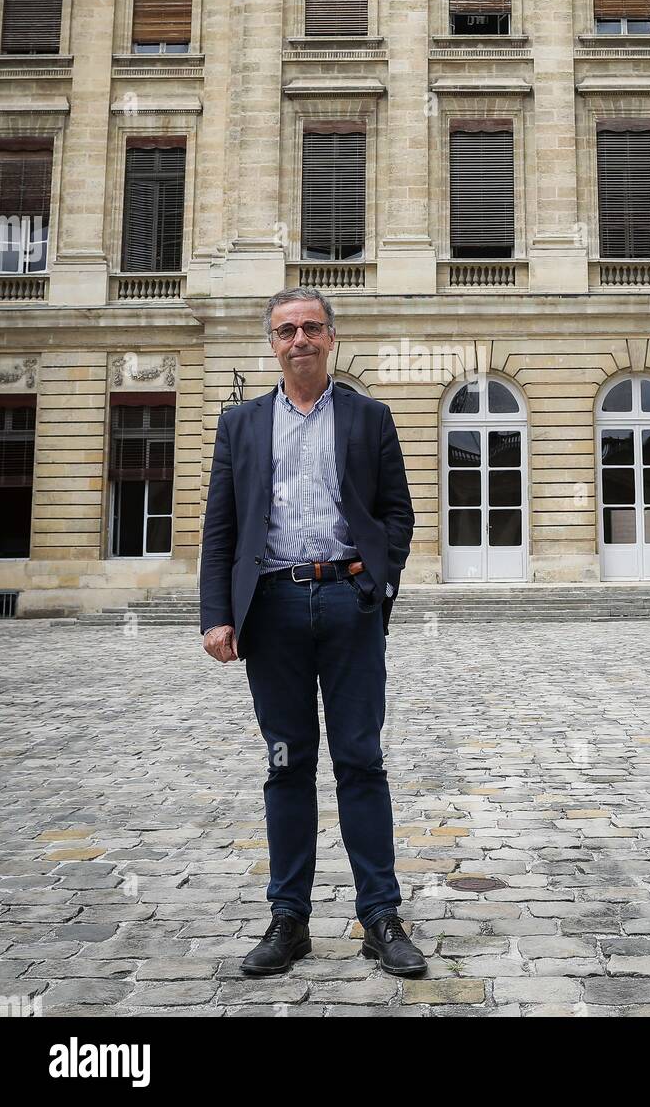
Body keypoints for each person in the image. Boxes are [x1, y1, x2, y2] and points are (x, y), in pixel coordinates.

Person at [199, 286, 426, 977]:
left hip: (347, 604)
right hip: (273, 609)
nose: (299, 340)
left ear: (332, 338)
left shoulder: (369, 417)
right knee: (286, 765)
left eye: (312, 328)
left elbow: (397, 513)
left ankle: (380, 917)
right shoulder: (240, 424)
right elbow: (221, 528)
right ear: (272, 343)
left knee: (362, 760)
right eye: (286, 330)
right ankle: (288, 920)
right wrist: (217, 613)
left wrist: (374, 585)